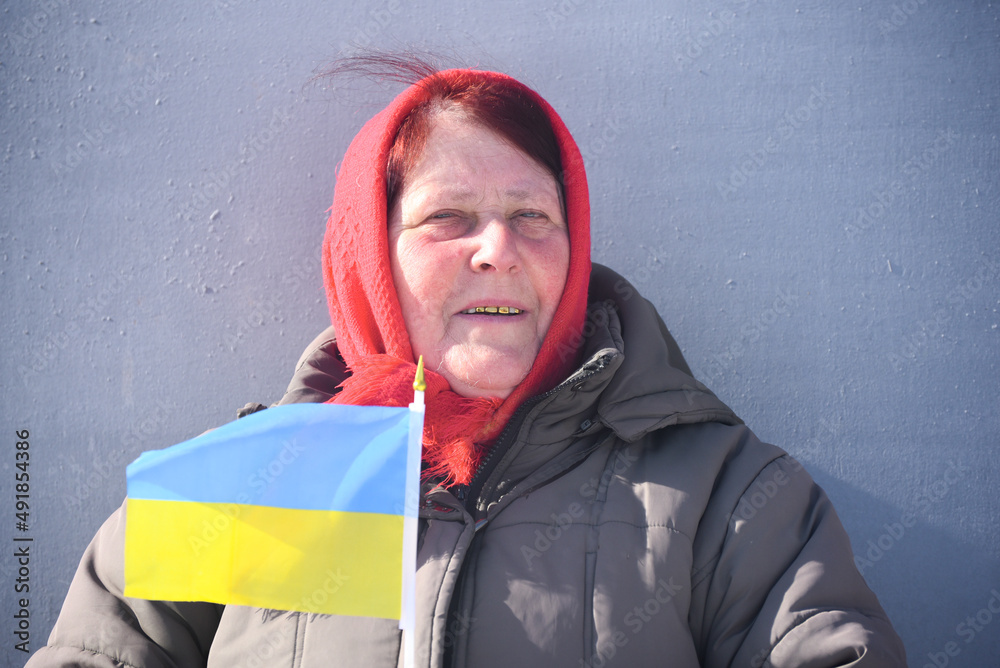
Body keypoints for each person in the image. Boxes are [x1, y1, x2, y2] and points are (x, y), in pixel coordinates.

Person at [28, 60, 908, 667]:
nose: (498, 249)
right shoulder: (230, 492)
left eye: (533, 216)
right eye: (447, 217)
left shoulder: (726, 493)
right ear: (371, 257)